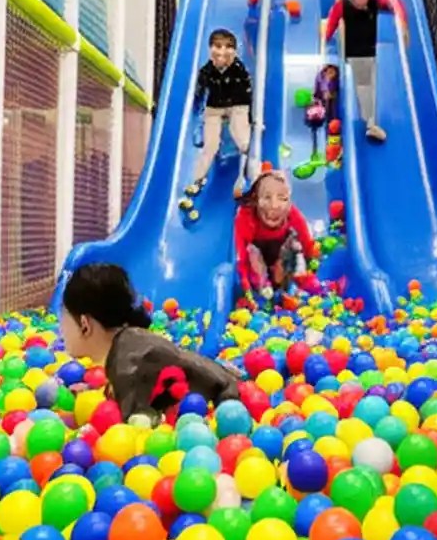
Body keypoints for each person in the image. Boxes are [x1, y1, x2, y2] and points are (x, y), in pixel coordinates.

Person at [60, 263, 241, 422]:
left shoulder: (127, 365)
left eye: (64, 318)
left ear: (84, 325)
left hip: (229, 404)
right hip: (227, 389)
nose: (61, 329)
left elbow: (137, 428)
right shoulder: (129, 342)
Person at [323, 0, 408, 143]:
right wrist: (327, 36)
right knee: (364, 85)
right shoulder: (345, 4)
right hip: (357, 54)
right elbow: (333, 18)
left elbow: (394, 2)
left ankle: (368, 121)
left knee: (366, 85)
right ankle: (369, 123)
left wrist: (402, 20)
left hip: (366, 52)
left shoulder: (372, 1)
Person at [233, 171, 321, 304]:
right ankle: (264, 288)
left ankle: (285, 286)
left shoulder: (292, 214)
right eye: (266, 197)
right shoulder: (246, 217)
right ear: (256, 200)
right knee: (252, 253)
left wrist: (311, 271)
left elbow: (307, 244)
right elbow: (242, 257)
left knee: (293, 247)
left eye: (282, 198)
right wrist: (246, 289)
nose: (274, 205)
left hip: (280, 252)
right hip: (259, 252)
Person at [188, 28, 253, 197]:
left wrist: (250, 115)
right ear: (210, 50)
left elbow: (248, 91)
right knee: (210, 145)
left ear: (234, 51)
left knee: (242, 139)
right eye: (217, 47)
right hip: (215, 107)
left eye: (228, 47)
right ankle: (198, 179)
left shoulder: (238, 69)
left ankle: (249, 173)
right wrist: (196, 101)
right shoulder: (207, 71)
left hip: (237, 105)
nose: (222, 52)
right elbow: (199, 90)